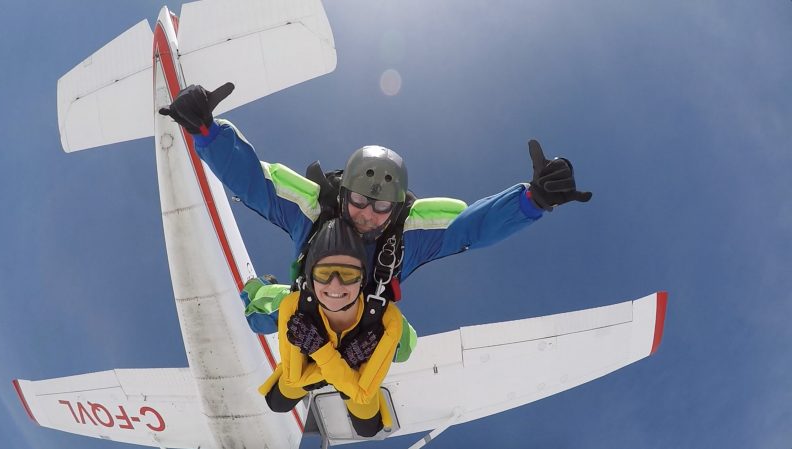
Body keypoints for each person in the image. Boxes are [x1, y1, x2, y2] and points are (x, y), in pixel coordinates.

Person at [160, 83, 591, 312]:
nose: (367, 214)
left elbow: (470, 228)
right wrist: (207, 134)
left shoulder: (412, 233)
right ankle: (260, 294)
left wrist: (533, 200)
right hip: (306, 300)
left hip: (362, 313)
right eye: (359, 202)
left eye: (381, 206)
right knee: (265, 314)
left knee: (396, 343)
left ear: (397, 208)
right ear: (342, 194)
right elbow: (257, 184)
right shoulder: (313, 212)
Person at [257, 218, 403, 438]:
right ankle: (257, 287)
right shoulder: (295, 305)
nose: (335, 285)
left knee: (368, 428)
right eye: (324, 273)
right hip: (348, 370)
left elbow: (363, 394)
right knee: (277, 402)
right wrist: (346, 362)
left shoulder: (386, 319)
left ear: (362, 279)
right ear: (310, 276)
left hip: (317, 364)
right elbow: (293, 379)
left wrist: (322, 353)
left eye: (348, 274)